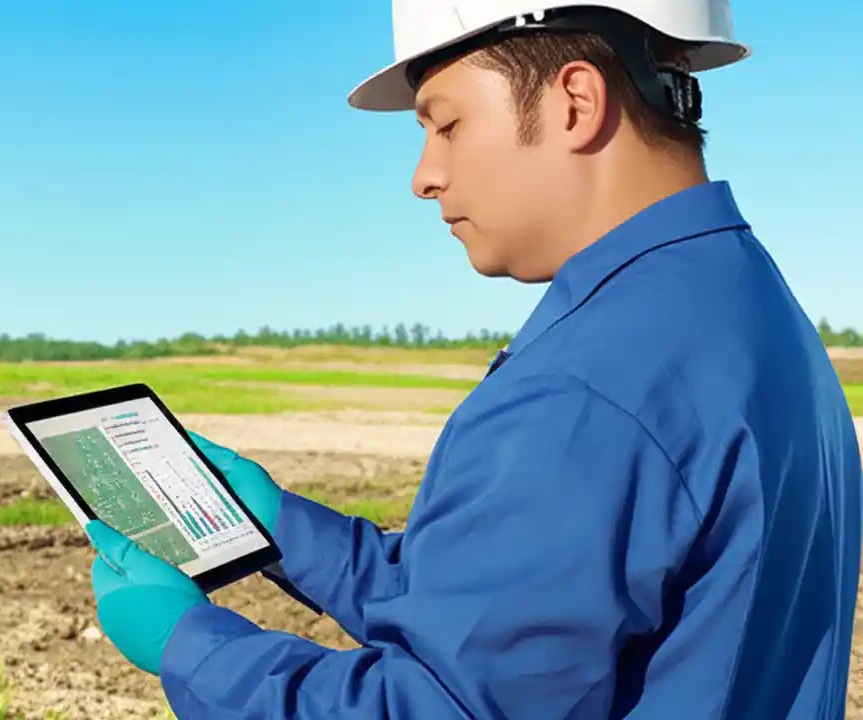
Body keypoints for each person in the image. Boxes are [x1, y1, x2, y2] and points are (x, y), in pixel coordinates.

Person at [82, 0, 863, 717]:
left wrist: (191, 644)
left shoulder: (587, 387)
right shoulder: (747, 305)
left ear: (575, 103)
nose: (425, 175)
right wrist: (285, 529)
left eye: (446, 124)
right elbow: (514, 612)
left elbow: (443, 705)